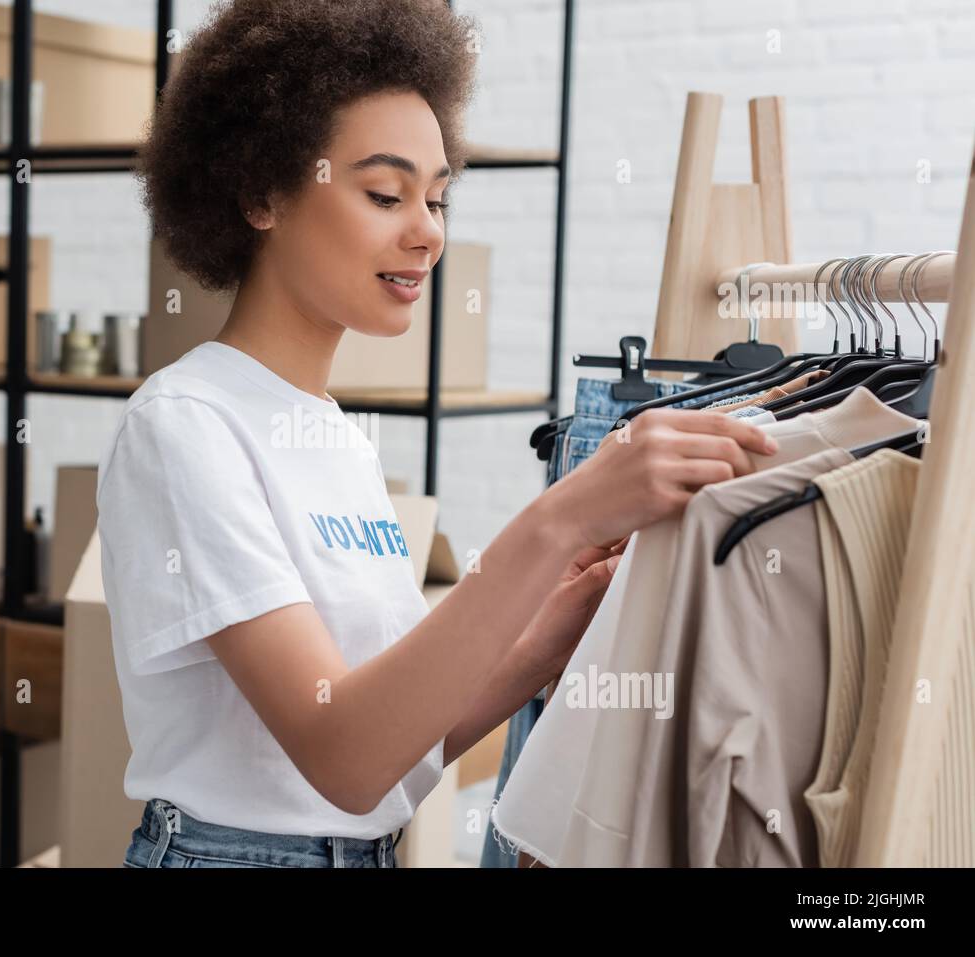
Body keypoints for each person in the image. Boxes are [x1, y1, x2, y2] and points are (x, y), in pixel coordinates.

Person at [100, 0, 779, 869]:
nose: (427, 232)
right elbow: (342, 753)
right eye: (385, 194)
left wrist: (561, 620)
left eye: (437, 197)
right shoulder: (185, 426)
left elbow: (400, 743)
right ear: (261, 192)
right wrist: (558, 519)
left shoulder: (336, 440)